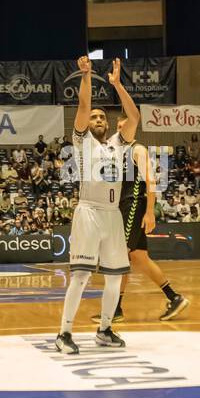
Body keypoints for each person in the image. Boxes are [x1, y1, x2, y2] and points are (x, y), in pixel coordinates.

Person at [55, 56, 137, 354]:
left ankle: (104, 329)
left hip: (112, 215)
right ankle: (64, 333)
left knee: (116, 276)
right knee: (81, 275)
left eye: (103, 117)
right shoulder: (81, 142)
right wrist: (87, 76)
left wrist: (117, 85)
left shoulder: (118, 143)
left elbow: (135, 117)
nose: (98, 120)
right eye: (95, 118)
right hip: (88, 211)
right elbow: (83, 106)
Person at [95, 120, 189, 325]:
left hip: (134, 205)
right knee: (139, 258)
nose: (120, 131)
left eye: (123, 127)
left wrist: (149, 213)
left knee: (120, 256)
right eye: (118, 128)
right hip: (124, 206)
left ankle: (115, 309)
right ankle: (174, 297)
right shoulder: (119, 153)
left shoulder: (138, 150)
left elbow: (151, 181)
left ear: (132, 129)